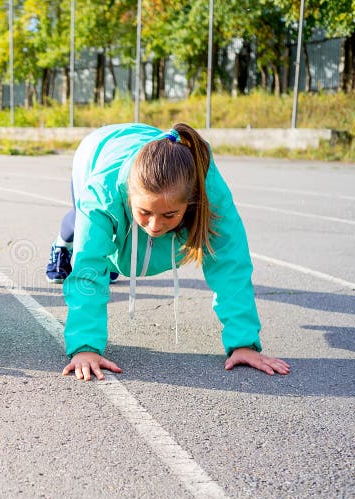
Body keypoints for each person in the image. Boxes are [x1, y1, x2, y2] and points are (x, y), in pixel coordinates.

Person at [46, 123, 290, 380]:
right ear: (129, 197)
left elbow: (231, 263)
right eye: (145, 212)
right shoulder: (102, 193)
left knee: (115, 248)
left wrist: (244, 343)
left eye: (169, 214)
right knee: (82, 230)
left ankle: (133, 234)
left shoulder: (211, 194)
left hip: (158, 159)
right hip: (97, 150)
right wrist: (85, 347)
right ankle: (62, 244)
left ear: (192, 200)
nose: (154, 225)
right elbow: (88, 267)